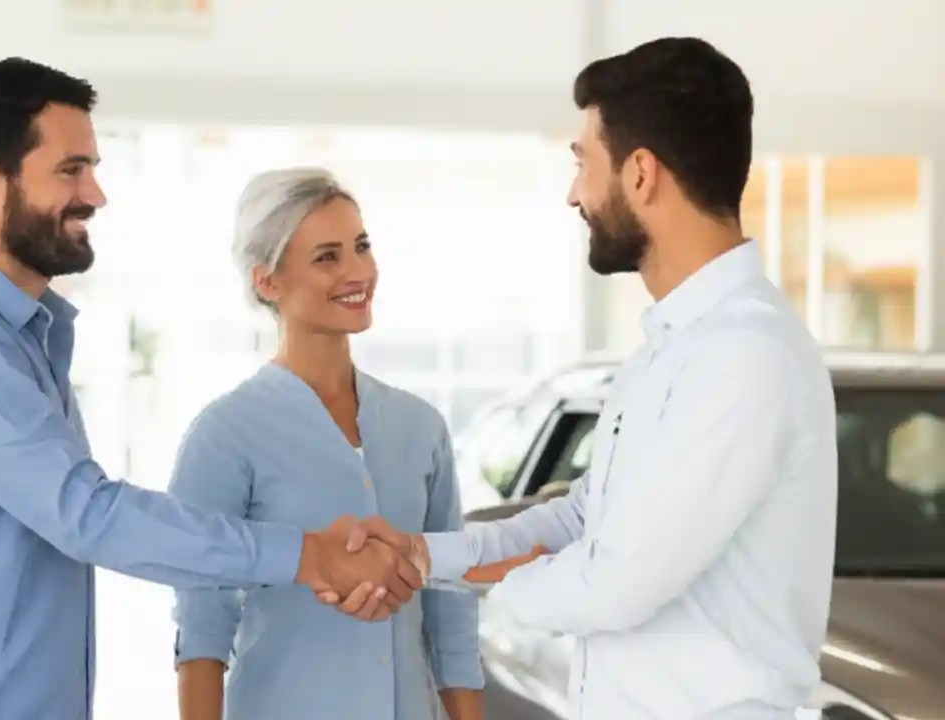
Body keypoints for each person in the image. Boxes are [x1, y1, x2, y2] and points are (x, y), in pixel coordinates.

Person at [0, 58, 421, 719]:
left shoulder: (22, 335)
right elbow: (88, 515)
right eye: (71, 170)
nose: (96, 194)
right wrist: (311, 557)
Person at [349, 37, 838, 718]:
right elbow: (584, 521)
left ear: (641, 173)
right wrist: (425, 557)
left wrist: (480, 589)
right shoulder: (670, 347)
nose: (574, 194)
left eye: (584, 164)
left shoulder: (746, 355)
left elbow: (615, 582)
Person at [168, 168, 484, 720]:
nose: (357, 271)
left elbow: (450, 614)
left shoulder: (420, 427)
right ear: (267, 281)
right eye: (327, 257)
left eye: (361, 247)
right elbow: (202, 626)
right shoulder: (224, 434)